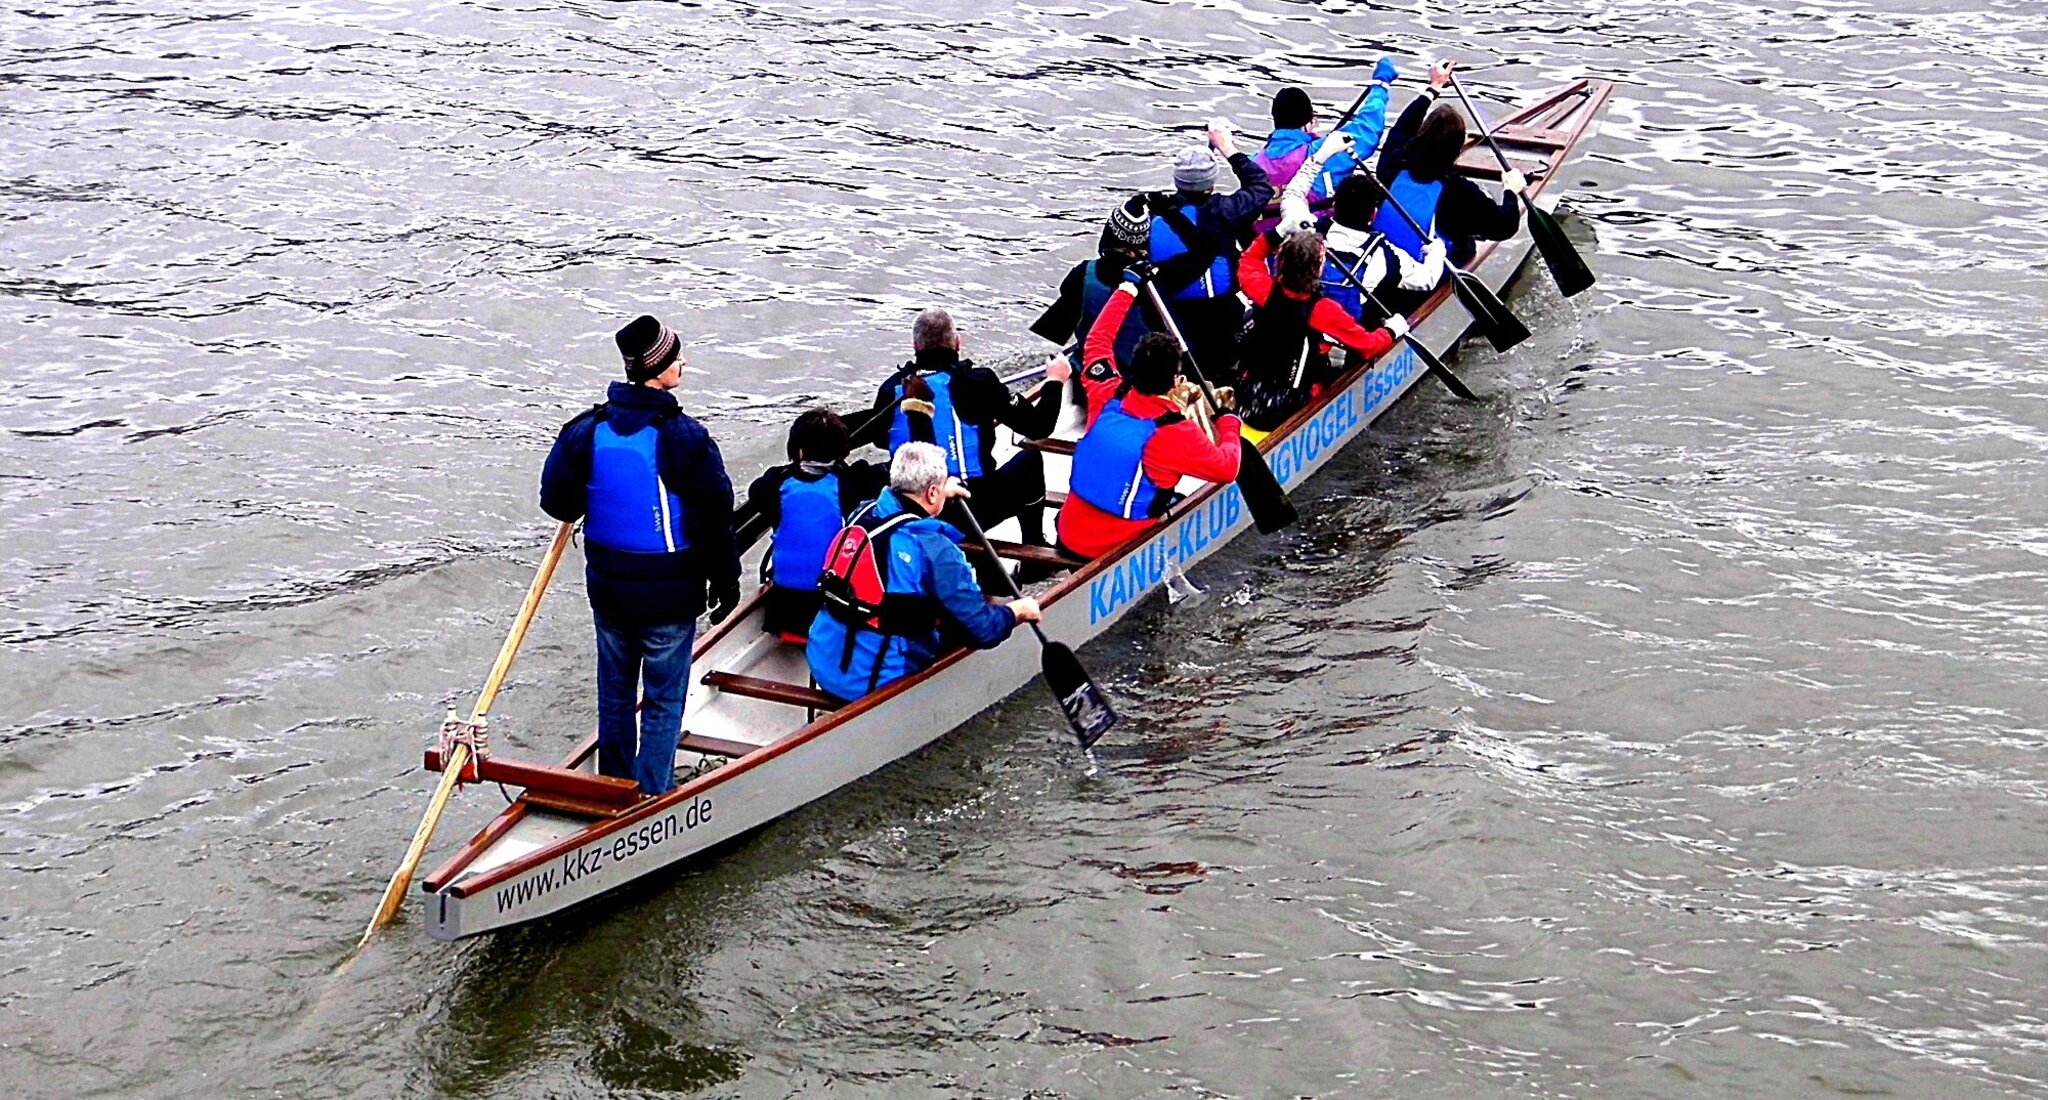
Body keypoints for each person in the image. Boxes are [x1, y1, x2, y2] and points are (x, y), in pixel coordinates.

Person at [540, 315, 740, 796]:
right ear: (657, 369)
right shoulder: (685, 436)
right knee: (663, 701)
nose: (683, 362)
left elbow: (556, 501)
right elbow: (715, 516)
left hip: (609, 591)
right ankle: (652, 796)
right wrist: (726, 582)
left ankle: (611, 784)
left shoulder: (585, 431)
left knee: (614, 694)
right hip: (669, 596)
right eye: (676, 357)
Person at [807, 442, 1042, 702]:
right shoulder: (936, 548)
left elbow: (905, 515)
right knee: (971, 616)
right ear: (931, 493)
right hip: (874, 679)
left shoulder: (861, 513)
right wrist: (1017, 611)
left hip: (823, 662)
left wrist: (942, 490)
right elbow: (983, 631)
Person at [1056, 278, 1244, 559]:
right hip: (1112, 548)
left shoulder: (1105, 392)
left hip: (1068, 532)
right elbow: (1228, 469)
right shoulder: (1176, 432)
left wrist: (1128, 288)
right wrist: (1229, 424)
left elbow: (1097, 341)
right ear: (1175, 382)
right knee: (1173, 495)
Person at [852, 308, 1065, 546]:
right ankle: (1034, 547)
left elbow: (882, 440)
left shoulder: (890, 389)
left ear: (915, 346)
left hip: (909, 509)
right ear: (957, 342)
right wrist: (1055, 381)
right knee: (1030, 460)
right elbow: (1039, 427)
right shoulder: (979, 381)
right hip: (969, 509)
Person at [1234, 230, 1408, 430]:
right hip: (1291, 405)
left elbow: (1249, 258)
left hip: (1249, 397)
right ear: (1316, 270)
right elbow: (1368, 345)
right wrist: (1391, 330)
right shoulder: (1324, 310)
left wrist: (1275, 234)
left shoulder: (1262, 288)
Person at [743, 409, 889, 641]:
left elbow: (756, 490)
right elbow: (886, 475)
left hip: (784, 612)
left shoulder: (773, 483)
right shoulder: (852, 481)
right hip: (831, 609)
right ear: (842, 451)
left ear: (798, 451)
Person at [1146, 120, 1274, 376]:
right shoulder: (1225, 212)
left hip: (1173, 315)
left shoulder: (1154, 213)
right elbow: (1261, 187)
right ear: (1211, 182)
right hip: (1220, 315)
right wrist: (1228, 148)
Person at [1373, 60, 1525, 273]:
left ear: (1421, 135)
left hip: (1383, 262)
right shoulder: (1459, 191)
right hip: (1428, 272)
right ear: (1457, 149)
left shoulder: (1393, 164)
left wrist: (1433, 88)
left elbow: (1402, 128)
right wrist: (1511, 191)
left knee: (1463, 218)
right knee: (1471, 225)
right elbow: (1504, 227)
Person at [1249, 58, 1397, 230]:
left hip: (1263, 248)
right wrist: (1381, 85)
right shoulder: (1325, 151)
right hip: (1312, 248)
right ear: (1308, 122)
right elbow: (1368, 128)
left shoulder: (1252, 163)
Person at [1030, 195, 1155, 375]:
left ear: (1109, 235)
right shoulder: (1156, 282)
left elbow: (1053, 331)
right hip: (1140, 379)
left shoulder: (1084, 273)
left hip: (1089, 372)